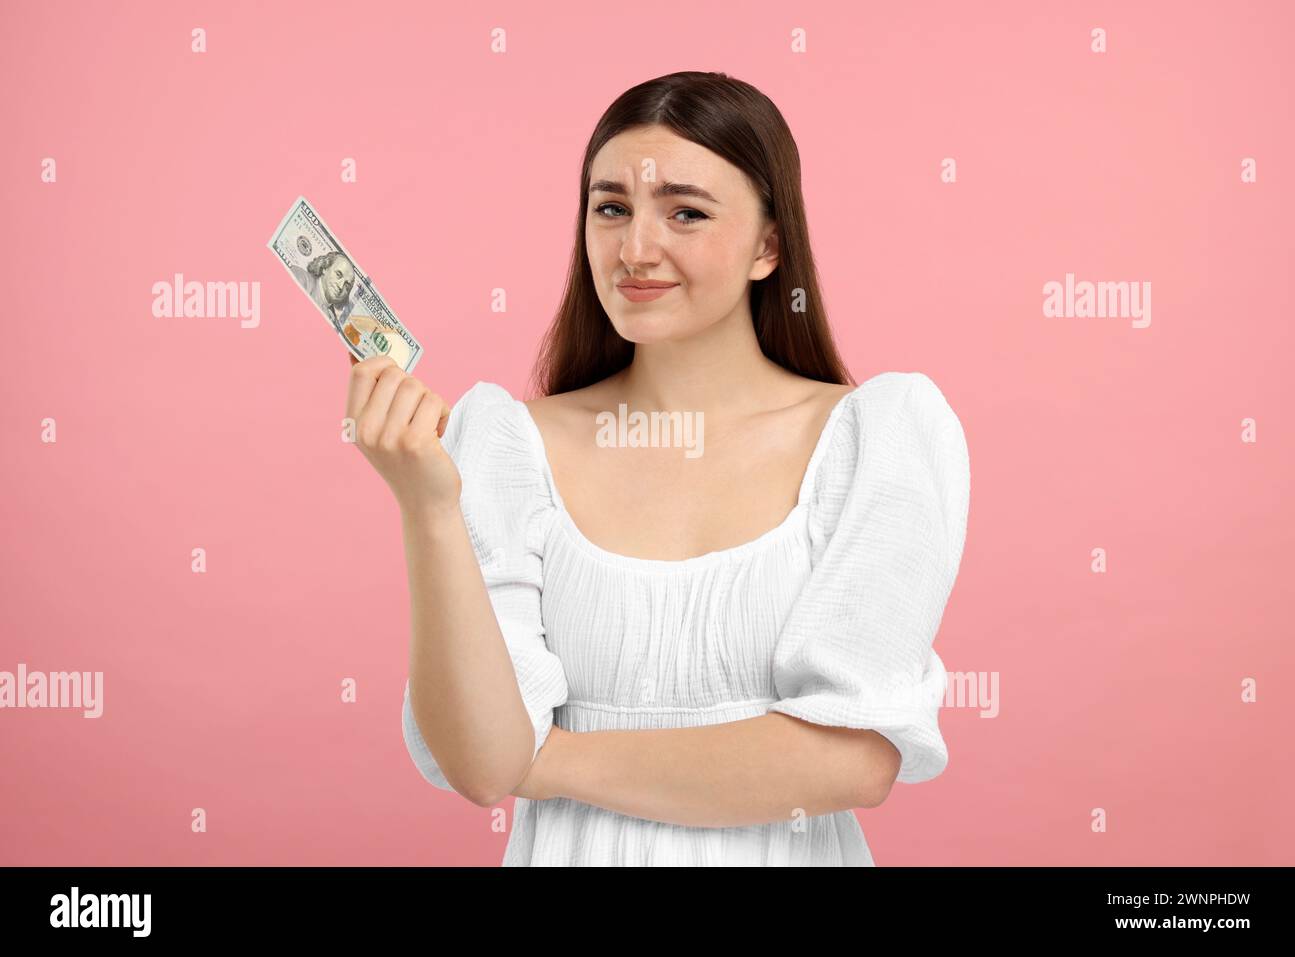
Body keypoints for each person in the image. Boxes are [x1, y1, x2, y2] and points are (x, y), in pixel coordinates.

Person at [345, 71, 971, 866]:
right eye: (611, 209)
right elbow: (480, 761)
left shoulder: (876, 438)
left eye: (686, 212)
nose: (635, 250)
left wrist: (549, 760)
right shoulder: (507, 443)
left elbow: (853, 757)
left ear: (769, 246)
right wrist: (428, 509)